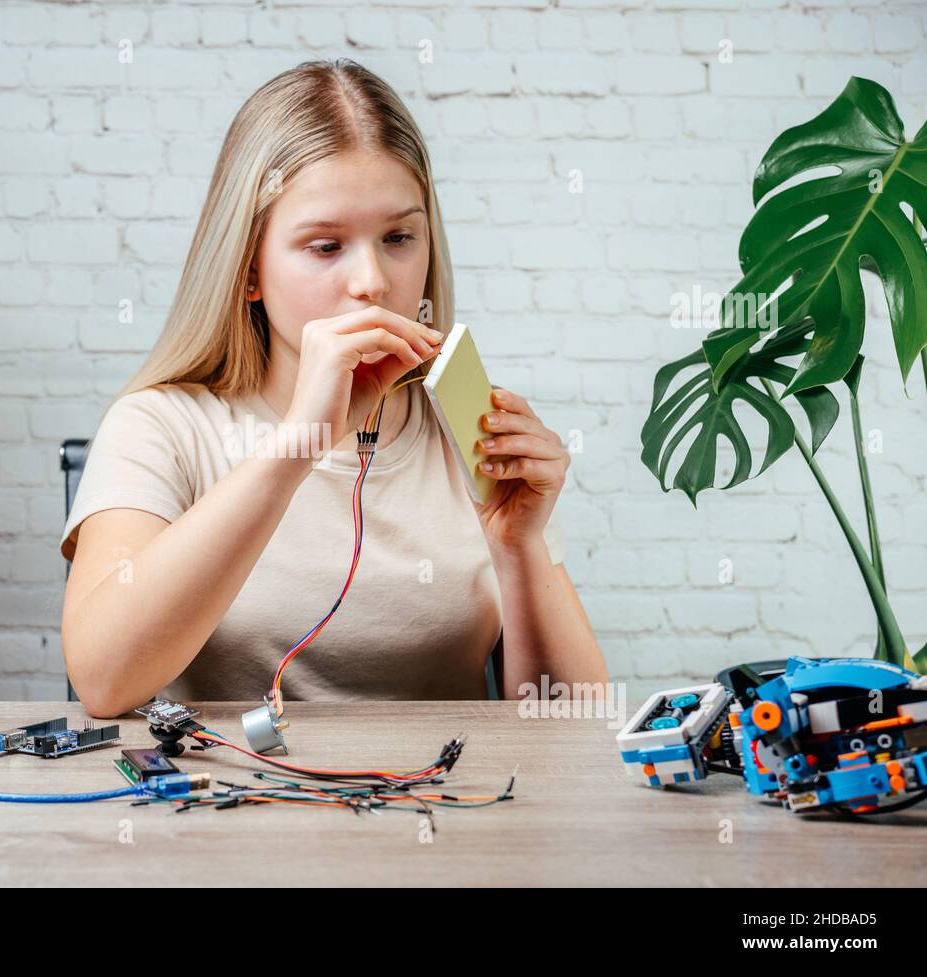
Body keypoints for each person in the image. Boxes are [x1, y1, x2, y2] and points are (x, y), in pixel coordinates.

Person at [60, 58, 607, 718]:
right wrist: (298, 444)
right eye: (325, 246)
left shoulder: (472, 422)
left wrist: (519, 548)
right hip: (231, 809)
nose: (373, 280)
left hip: (447, 810)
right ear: (249, 270)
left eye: (399, 237)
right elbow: (103, 680)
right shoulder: (160, 425)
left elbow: (573, 728)